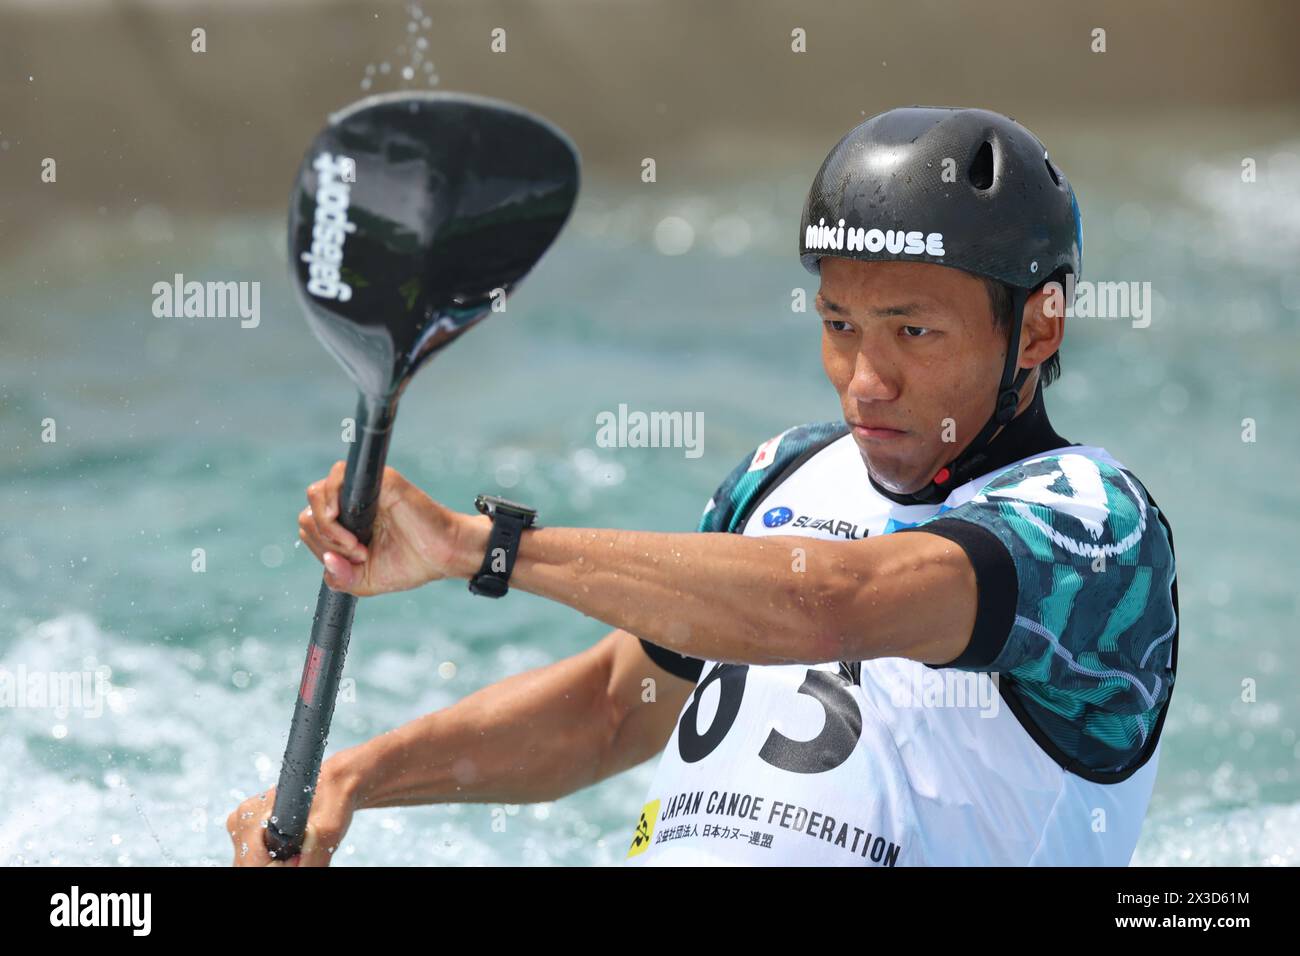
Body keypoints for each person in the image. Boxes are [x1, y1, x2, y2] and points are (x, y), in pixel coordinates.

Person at [228, 106, 1178, 867]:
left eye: (912, 332)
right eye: (839, 324)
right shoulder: (782, 471)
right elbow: (609, 710)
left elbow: (833, 604)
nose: (864, 379)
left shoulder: (1093, 523)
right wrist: (354, 781)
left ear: (1040, 328)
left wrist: (484, 547)